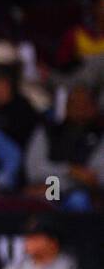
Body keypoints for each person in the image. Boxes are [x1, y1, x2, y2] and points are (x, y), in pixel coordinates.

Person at [24, 82, 104, 211]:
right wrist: (69, 170)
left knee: (78, 200)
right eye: (74, 103)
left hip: (87, 192)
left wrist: (74, 177)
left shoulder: (100, 133)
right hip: (53, 187)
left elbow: (94, 176)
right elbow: (35, 168)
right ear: (66, 107)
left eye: (84, 104)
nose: (79, 108)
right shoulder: (49, 130)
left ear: (94, 107)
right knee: (43, 198)